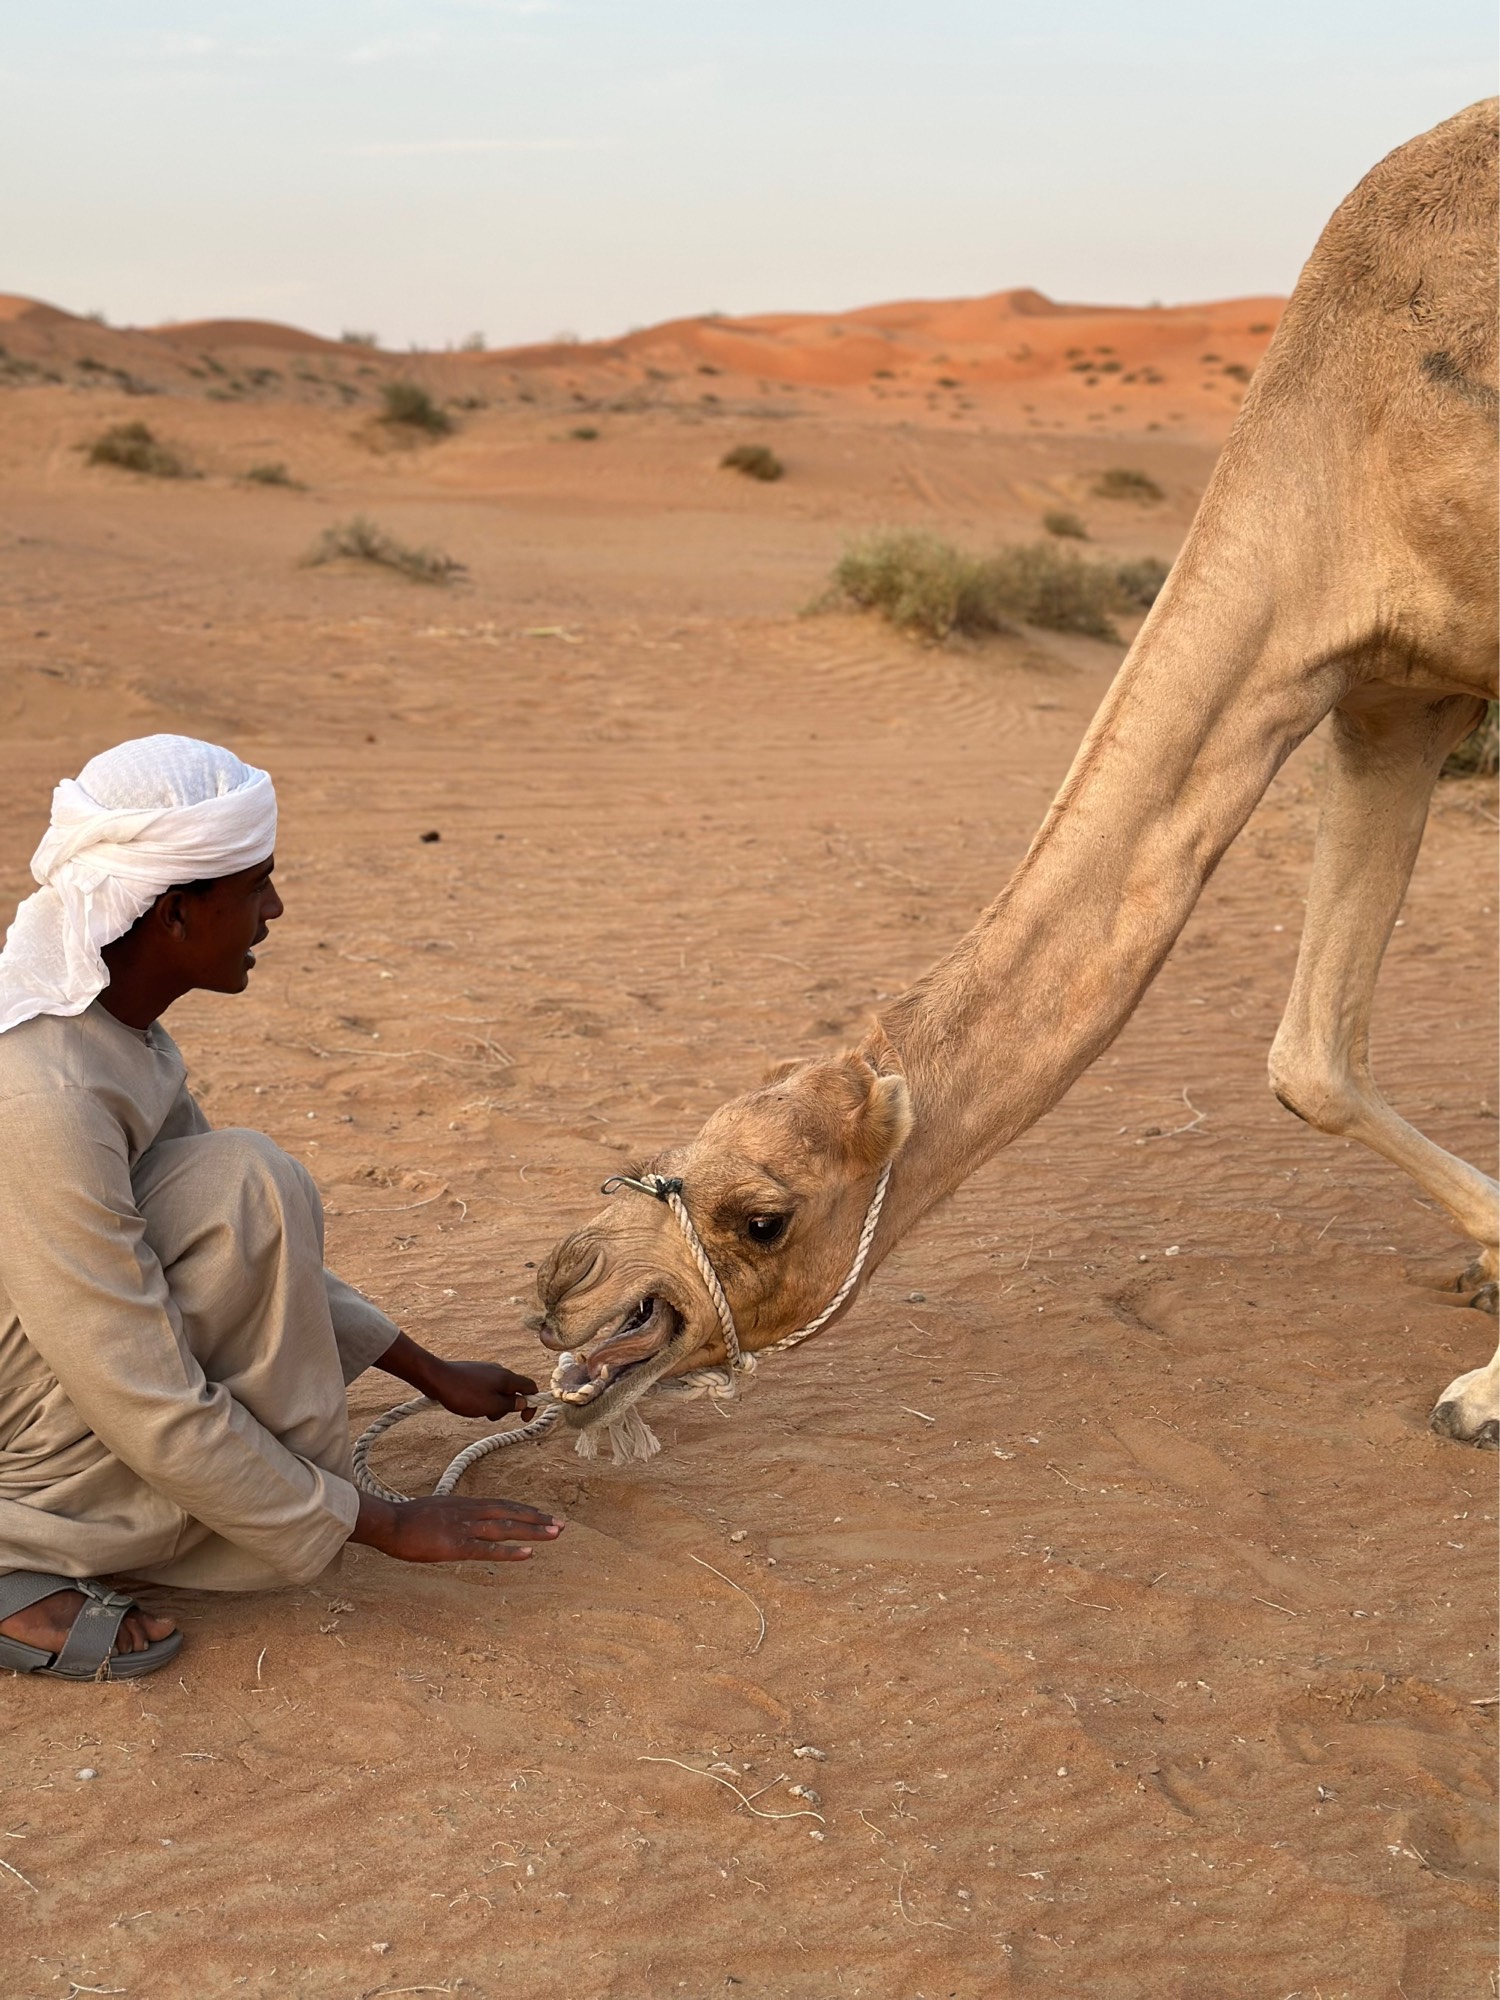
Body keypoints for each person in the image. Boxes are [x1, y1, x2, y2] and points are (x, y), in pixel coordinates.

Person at [0, 735, 562, 1682]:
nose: (275, 909)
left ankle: (156, 1507)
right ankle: (27, 1540)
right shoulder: (44, 1092)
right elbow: (124, 1370)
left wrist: (425, 1370)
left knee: (240, 1183)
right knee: (240, 1191)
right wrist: (378, 1524)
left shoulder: (111, 1031)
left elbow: (225, 1224)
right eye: (255, 886)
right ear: (175, 911)